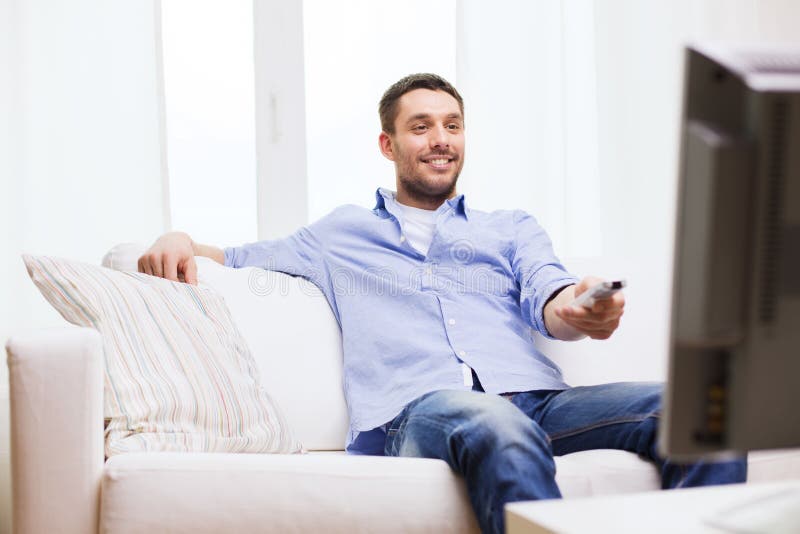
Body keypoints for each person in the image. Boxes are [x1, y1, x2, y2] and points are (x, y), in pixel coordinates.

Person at [139, 73, 746, 534]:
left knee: (702, 408)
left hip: (537, 403)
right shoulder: (336, 235)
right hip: (420, 411)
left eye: (452, 126)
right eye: (422, 126)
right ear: (389, 142)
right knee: (494, 422)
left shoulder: (509, 228)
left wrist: (580, 308)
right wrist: (180, 240)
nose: (440, 141)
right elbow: (238, 257)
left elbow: (551, 298)